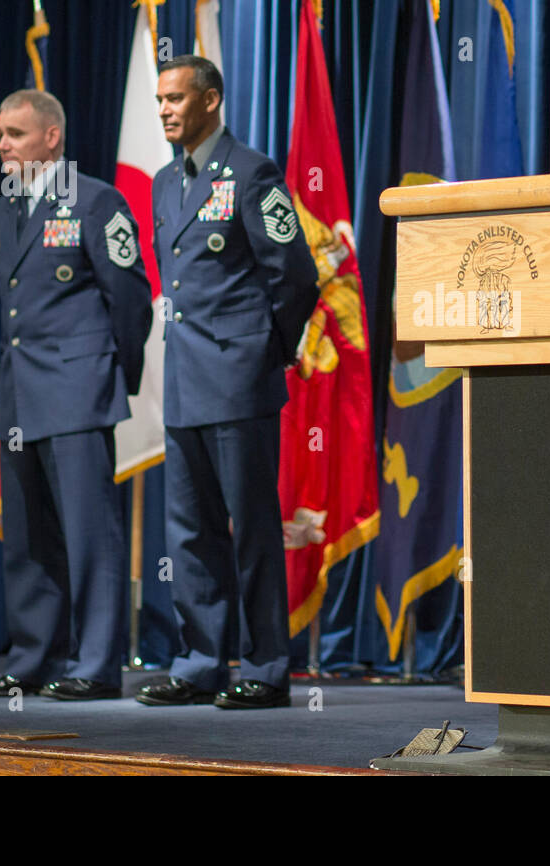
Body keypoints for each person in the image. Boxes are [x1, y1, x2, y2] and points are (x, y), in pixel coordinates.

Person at [136, 56, 318, 709]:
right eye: (158, 100)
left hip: (237, 377)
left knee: (252, 526)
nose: (164, 110)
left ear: (211, 100)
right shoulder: (163, 183)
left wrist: (262, 351)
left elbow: (295, 275)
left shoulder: (252, 171)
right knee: (190, 530)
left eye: (175, 98)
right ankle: (200, 660)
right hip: (184, 376)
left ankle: (266, 666)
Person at [0, 89, 152, 701]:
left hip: (78, 388)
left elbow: (130, 299)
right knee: (27, 537)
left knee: (88, 534)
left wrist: (113, 374)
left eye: (15, 134)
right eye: (0, 134)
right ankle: (33, 658)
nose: (1, 146)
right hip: (20, 393)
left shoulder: (98, 200)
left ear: (52, 137)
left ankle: (97, 664)